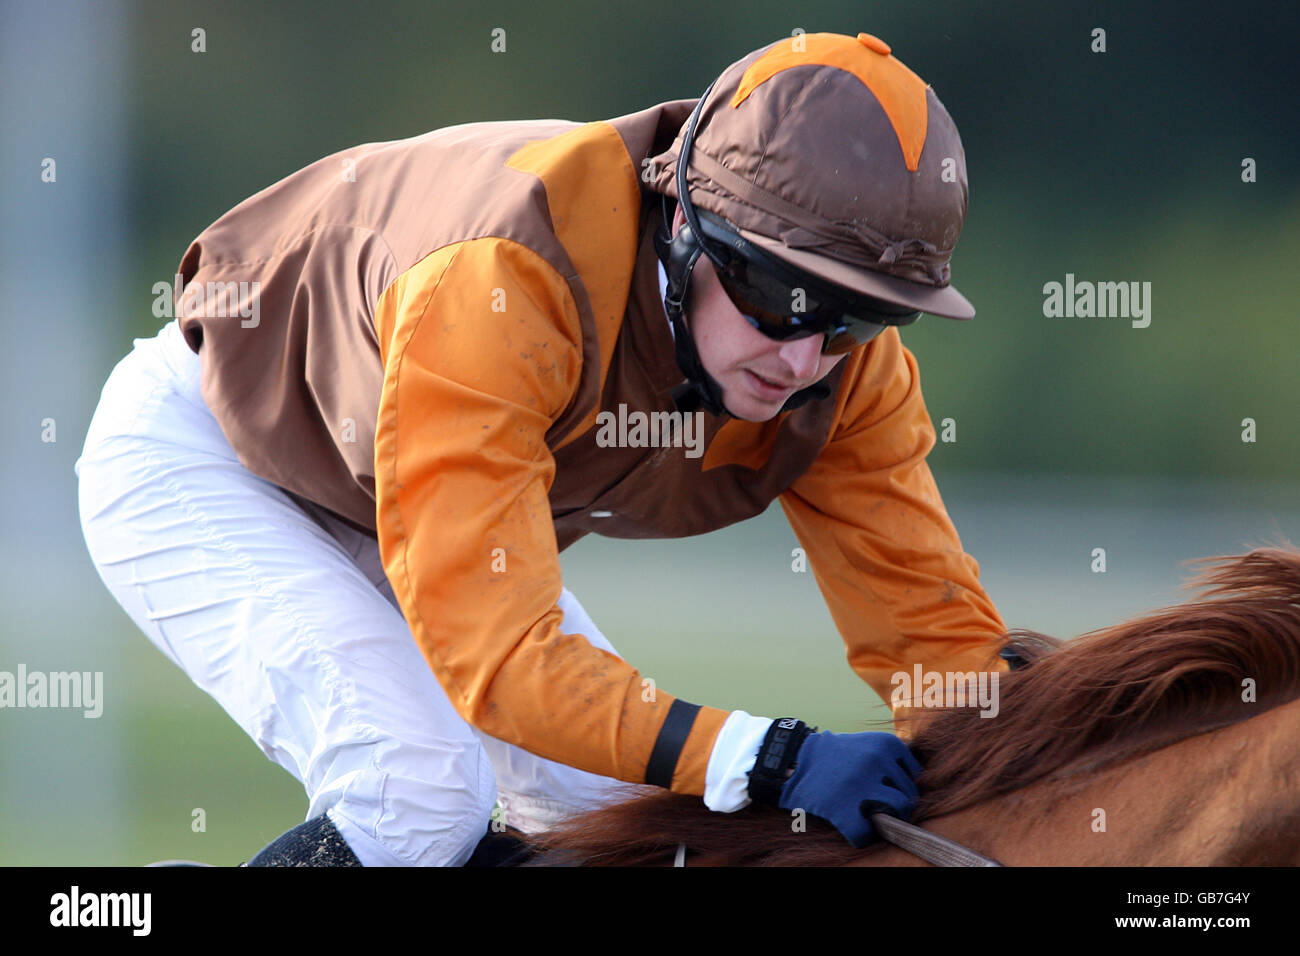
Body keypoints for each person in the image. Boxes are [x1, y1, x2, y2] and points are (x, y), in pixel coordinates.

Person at [75, 30, 1007, 866]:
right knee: (418, 794)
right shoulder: (504, 282)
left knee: (632, 818)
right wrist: (770, 755)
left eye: (856, 316)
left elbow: (935, 642)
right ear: (686, 220)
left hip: (400, 496)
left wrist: (1045, 772)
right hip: (209, 454)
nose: (806, 355)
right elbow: (503, 661)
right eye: (778, 293)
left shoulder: (842, 372)